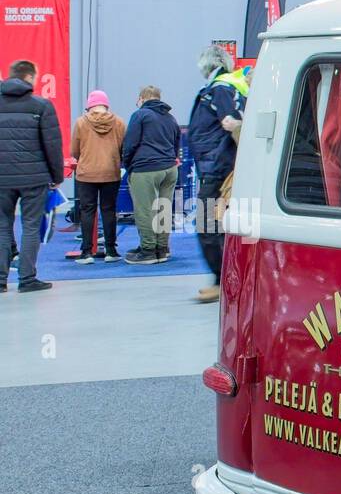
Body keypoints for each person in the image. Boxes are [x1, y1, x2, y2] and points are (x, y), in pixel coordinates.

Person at [188, 45, 246, 302]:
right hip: (218, 165)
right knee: (219, 225)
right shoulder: (228, 86)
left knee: (206, 222)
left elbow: (230, 122)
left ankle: (223, 279)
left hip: (217, 166)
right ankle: (224, 279)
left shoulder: (220, 88)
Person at [0, 59, 63, 293]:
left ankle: (0, 280)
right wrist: (57, 176)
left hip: (2, 179)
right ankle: (27, 279)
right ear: (29, 77)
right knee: (30, 226)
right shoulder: (42, 106)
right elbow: (53, 145)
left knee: (2, 227)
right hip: (34, 179)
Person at [121, 85, 181, 264]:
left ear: (142, 98)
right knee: (163, 208)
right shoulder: (171, 117)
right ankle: (162, 249)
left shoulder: (140, 115)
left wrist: (127, 164)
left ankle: (148, 250)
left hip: (145, 168)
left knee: (145, 210)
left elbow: (130, 143)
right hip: (170, 168)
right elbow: (176, 143)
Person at [68, 90, 125, 264]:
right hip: (111, 173)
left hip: (86, 174)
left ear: (89, 106)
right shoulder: (119, 123)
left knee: (87, 211)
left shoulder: (80, 123)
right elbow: (124, 149)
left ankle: (86, 253)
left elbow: (74, 151)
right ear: (106, 105)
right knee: (109, 210)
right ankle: (111, 251)